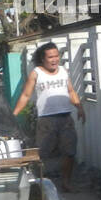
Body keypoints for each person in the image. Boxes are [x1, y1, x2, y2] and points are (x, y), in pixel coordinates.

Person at [13, 41, 85, 190]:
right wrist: (13, 115)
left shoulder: (63, 71)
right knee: (42, 154)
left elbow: (71, 91)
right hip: (46, 120)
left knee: (70, 152)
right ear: (43, 59)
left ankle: (66, 183)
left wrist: (79, 107)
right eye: (50, 57)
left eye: (56, 56)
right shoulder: (36, 73)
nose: (54, 60)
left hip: (66, 118)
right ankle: (39, 184)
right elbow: (26, 95)